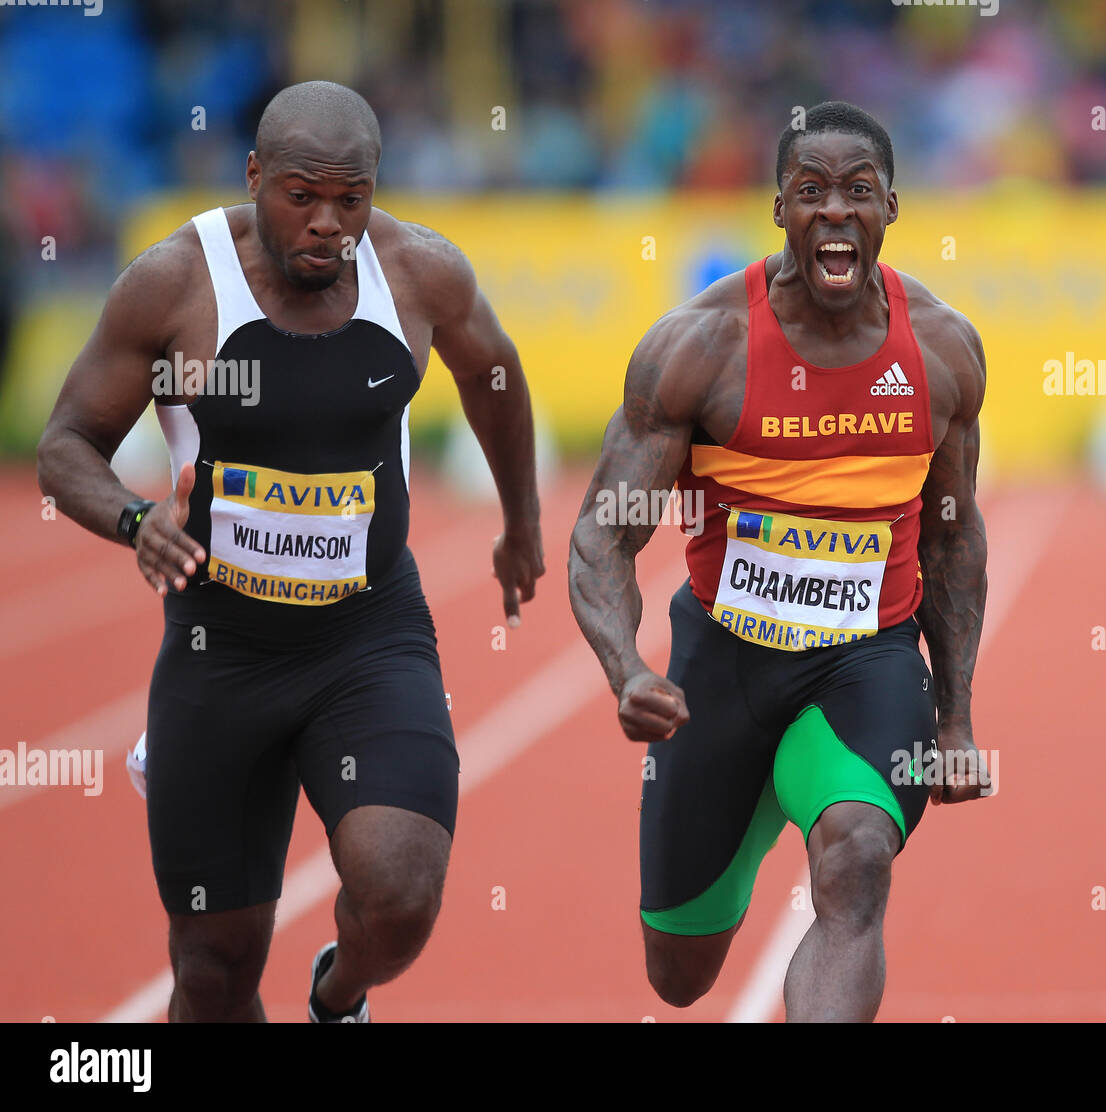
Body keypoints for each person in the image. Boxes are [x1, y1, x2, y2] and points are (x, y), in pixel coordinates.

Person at [36, 81, 544, 1022]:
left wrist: (521, 522)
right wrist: (133, 521)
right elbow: (66, 444)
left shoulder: (420, 274)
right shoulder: (176, 284)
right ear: (254, 175)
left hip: (369, 635)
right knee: (213, 970)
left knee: (400, 896)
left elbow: (497, 378)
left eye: (350, 199)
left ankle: (339, 993)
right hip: (218, 653)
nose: (327, 225)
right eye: (301, 197)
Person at [569, 101, 989, 1021]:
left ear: (891, 208)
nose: (835, 211)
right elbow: (606, 532)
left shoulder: (944, 350)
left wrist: (955, 721)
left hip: (868, 662)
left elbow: (954, 533)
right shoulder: (699, 349)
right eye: (811, 191)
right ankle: (745, 794)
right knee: (678, 978)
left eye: (858, 192)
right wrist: (626, 668)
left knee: (856, 859)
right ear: (778, 211)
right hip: (721, 668)